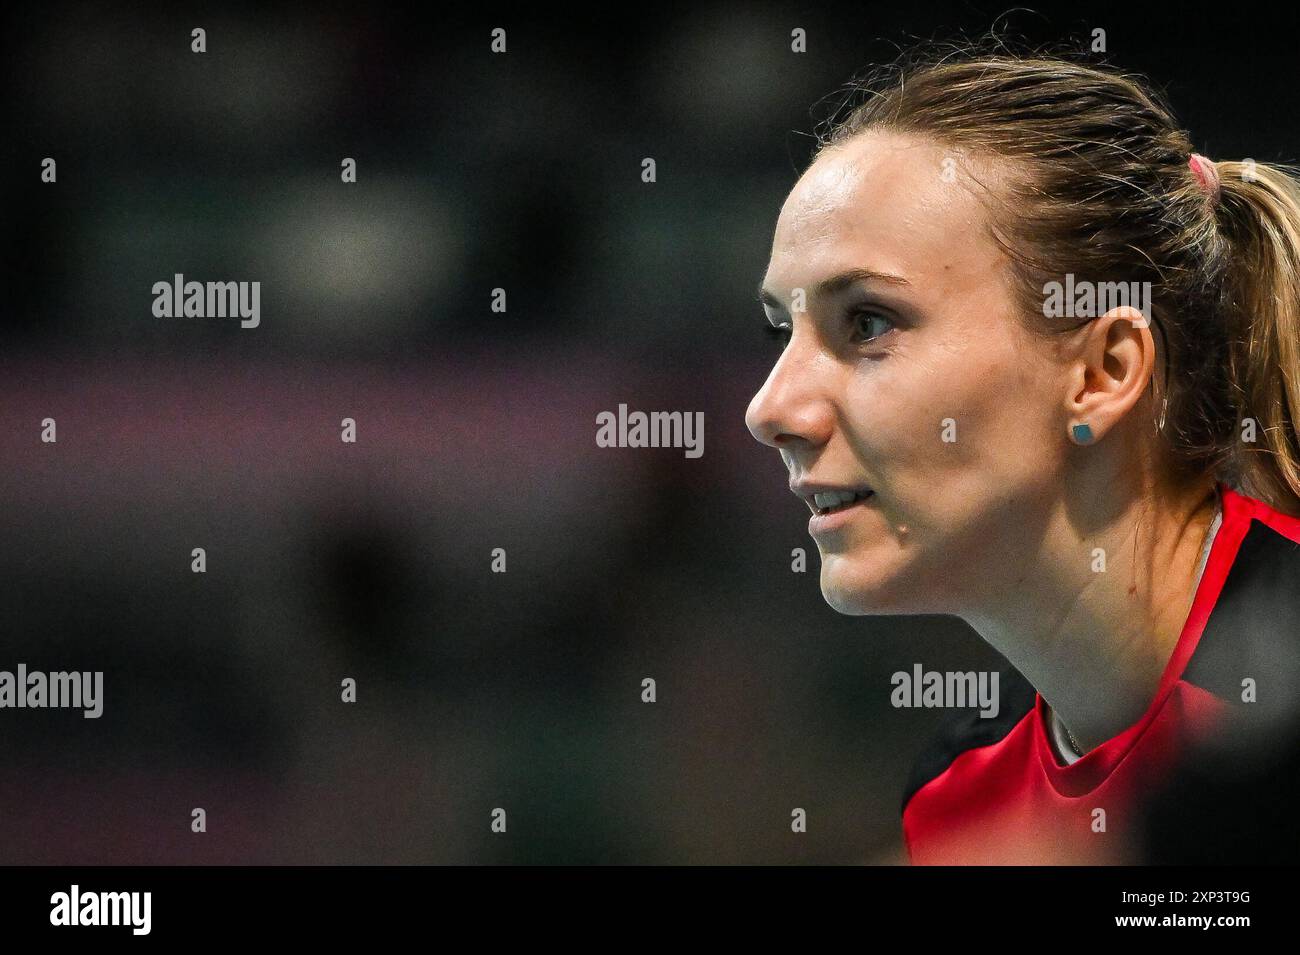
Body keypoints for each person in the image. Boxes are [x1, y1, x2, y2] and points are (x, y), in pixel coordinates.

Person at [745, 46, 1300, 864]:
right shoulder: (953, 790)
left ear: (1103, 371)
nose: (769, 409)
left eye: (867, 322)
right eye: (779, 331)